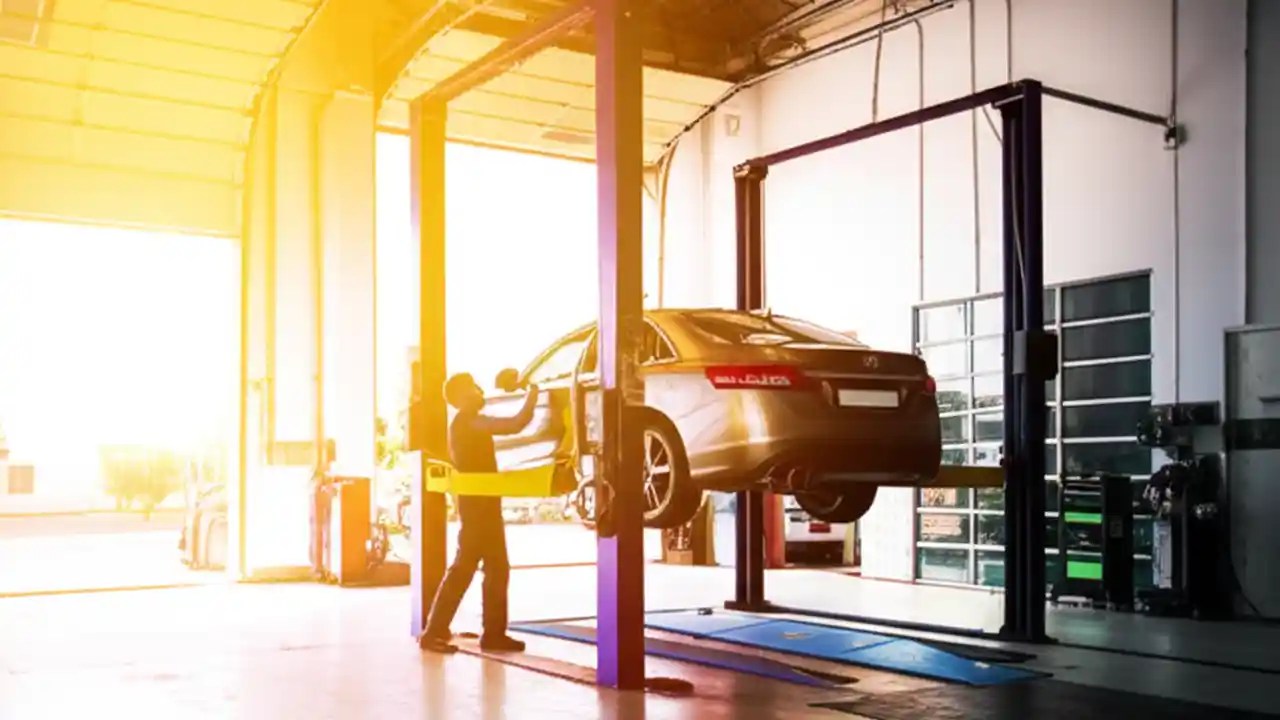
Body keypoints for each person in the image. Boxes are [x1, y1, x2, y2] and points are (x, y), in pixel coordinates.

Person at [419, 372, 540, 654]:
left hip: (485, 503)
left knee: (497, 569)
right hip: (477, 509)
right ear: (461, 396)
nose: (479, 390)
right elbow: (515, 424)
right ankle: (433, 632)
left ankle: (494, 634)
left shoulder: (468, 421)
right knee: (464, 569)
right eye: (473, 387)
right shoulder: (467, 420)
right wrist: (532, 395)